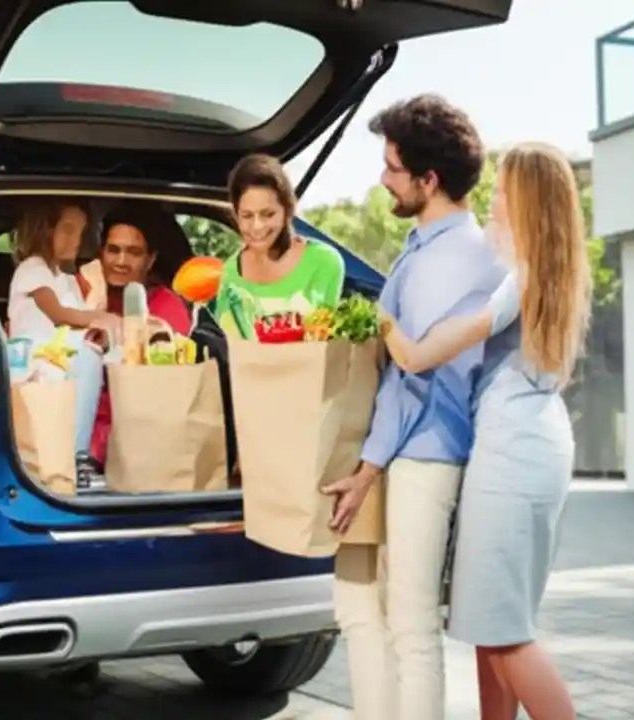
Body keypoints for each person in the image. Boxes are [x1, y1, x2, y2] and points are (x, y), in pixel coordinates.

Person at [363, 142, 590, 720]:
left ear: (529, 202)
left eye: (507, 190)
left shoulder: (519, 278)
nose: (494, 199)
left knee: (503, 636)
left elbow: (419, 356)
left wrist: (384, 319)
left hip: (510, 453)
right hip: (539, 443)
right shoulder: (552, 273)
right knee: (501, 629)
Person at [321, 94, 505, 720]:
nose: (382, 178)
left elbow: (411, 374)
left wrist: (367, 468)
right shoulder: (425, 247)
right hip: (393, 450)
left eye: (392, 167)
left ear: (429, 180)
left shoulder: (452, 260)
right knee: (357, 609)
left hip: (423, 455)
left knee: (411, 623)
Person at [6, 199, 120, 487]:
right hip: (33, 364)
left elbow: (78, 323)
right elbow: (58, 314)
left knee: (99, 354)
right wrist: (98, 317)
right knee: (86, 357)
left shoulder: (67, 279)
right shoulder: (32, 269)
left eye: (80, 233)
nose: (75, 240)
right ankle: (77, 456)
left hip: (62, 360)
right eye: (67, 230)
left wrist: (98, 327)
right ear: (44, 231)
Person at [85, 204, 193, 465]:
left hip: (133, 435)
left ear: (150, 259)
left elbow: (158, 381)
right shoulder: (87, 293)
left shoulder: (166, 305)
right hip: (78, 422)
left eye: (134, 252)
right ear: (101, 254)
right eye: (113, 250)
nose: (121, 261)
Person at [213, 154, 345, 339]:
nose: (257, 226)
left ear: (287, 210)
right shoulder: (227, 274)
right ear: (236, 215)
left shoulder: (324, 263)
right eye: (247, 216)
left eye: (268, 214)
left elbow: (328, 341)